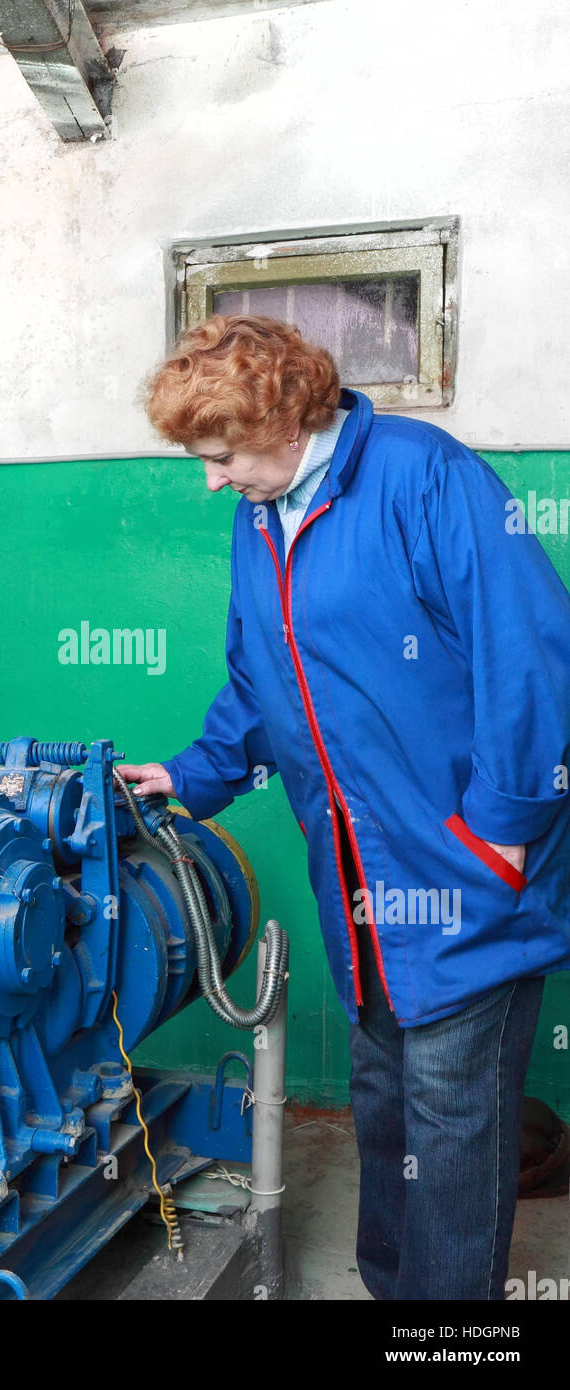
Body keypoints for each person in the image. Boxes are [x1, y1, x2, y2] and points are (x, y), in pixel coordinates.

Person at [118, 313, 570, 1301]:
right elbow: (257, 680)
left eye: (221, 453)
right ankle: (390, 1288)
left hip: (463, 866)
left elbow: (530, 659)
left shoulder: (421, 475)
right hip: (359, 874)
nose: (209, 478)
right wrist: (191, 775)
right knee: (382, 1096)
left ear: (286, 415)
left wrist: (497, 833)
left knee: (452, 1111)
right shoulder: (258, 512)